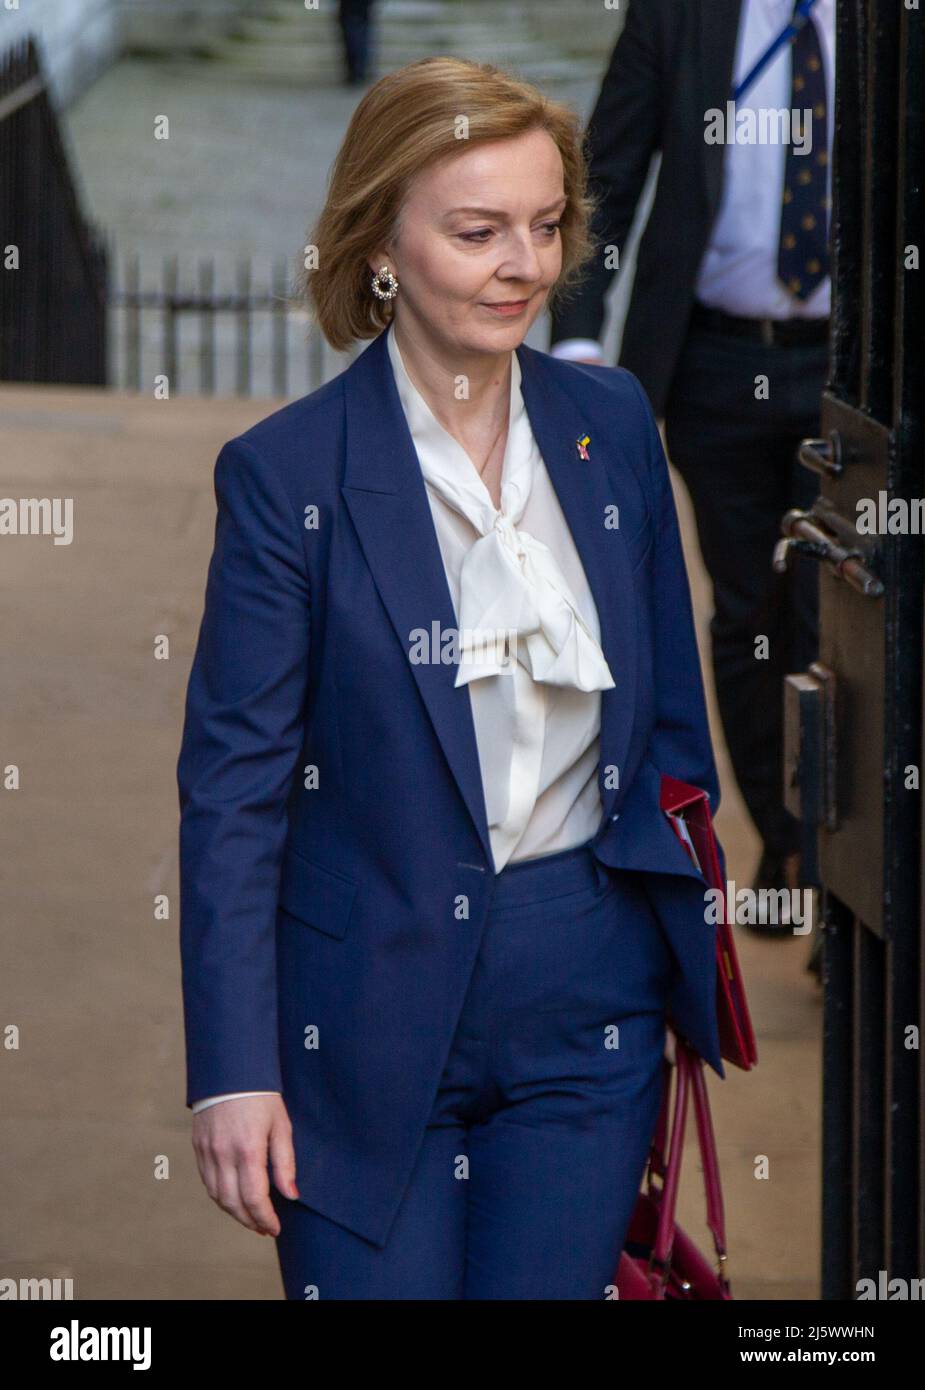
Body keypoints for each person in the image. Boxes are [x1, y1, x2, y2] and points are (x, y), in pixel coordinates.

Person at [177, 56, 727, 1301]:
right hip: (359, 1010)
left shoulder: (615, 424)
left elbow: (671, 733)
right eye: (476, 231)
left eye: (545, 227)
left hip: (586, 993)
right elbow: (234, 796)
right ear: (379, 242)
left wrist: (674, 946)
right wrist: (233, 1066)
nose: (522, 265)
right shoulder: (286, 476)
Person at [550, 0, 832, 929]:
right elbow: (605, 180)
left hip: (850, 370)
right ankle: (785, 835)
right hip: (713, 366)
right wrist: (581, 342)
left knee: (839, 614)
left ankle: (836, 860)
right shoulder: (677, 15)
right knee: (748, 608)